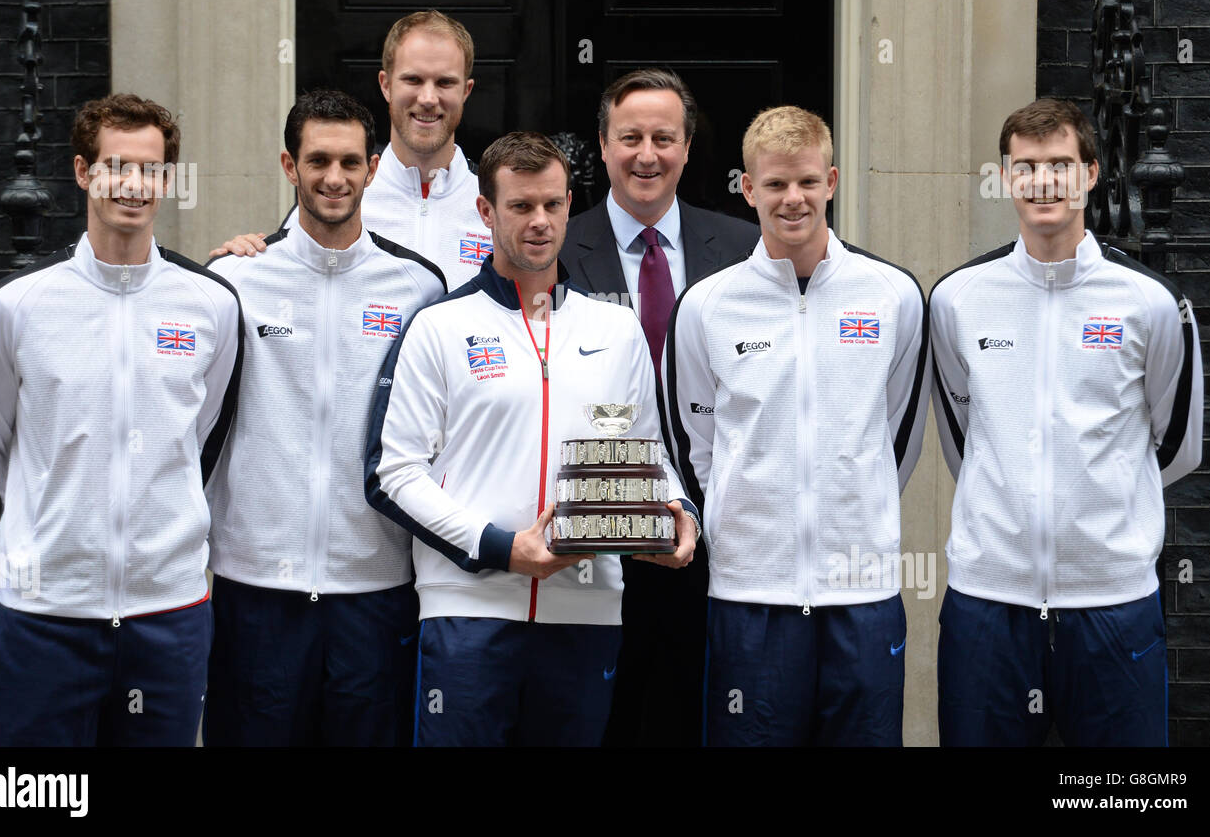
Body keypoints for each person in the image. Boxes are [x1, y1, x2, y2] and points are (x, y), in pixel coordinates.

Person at [364, 131, 700, 746]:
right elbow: (394, 473)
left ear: (570, 204)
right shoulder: (440, 327)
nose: (539, 221)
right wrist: (500, 547)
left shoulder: (616, 328)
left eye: (552, 204)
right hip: (467, 612)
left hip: (588, 613)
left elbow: (648, 459)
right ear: (486, 211)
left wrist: (677, 513)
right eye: (520, 206)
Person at [0, 94, 243, 746]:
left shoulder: (212, 306)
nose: (133, 185)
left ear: (167, 180)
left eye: (149, 169)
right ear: (84, 173)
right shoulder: (14, 307)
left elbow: (206, 442)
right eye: (116, 166)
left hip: (167, 617)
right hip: (45, 621)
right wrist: (28, 558)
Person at [929, 97, 1203, 746]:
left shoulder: (1153, 303)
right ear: (1005, 177)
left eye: (1059, 164)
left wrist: (1098, 503)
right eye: (1026, 167)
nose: (1043, 180)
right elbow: (962, 434)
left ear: (1091, 172)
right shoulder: (958, 299)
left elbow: (1177, 444)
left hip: (1112, 602)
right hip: (988, 602)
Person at [665, 106, 928, 746]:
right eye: (776, 184)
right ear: (748, 189)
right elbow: (692, 441)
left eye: (808, 182)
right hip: (751, 593)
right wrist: (734, 516)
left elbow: (901, 433)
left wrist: (850, 504)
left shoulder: (892, 295)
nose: (794, 199)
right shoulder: (706, 306)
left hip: (861, 593)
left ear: (832, 181)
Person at [203, 90, 445, 746]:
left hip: (375, 590)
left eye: (348, 161)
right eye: (316, 161)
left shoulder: (420, 287)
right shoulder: (232, 280)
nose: (333, 177)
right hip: (255, 591)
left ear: (372, 167)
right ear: (289, 165)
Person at [561, 68, 759, 747]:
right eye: (630, 137)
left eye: (663, 138)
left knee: (692, 716)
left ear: (688, 144)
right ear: (603, 142)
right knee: (598, 721)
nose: (647, 154)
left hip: (711, 534)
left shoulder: (741, 246)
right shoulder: (554, 246)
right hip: (591, 532)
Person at [212, 10, 489, 290]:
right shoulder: (339, 193)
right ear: (386, 85)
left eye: (444, 83)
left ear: (465, 91)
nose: (428, 98)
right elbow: (289, 282)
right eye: (413, 80)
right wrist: (244, 262)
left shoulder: (497, 204)